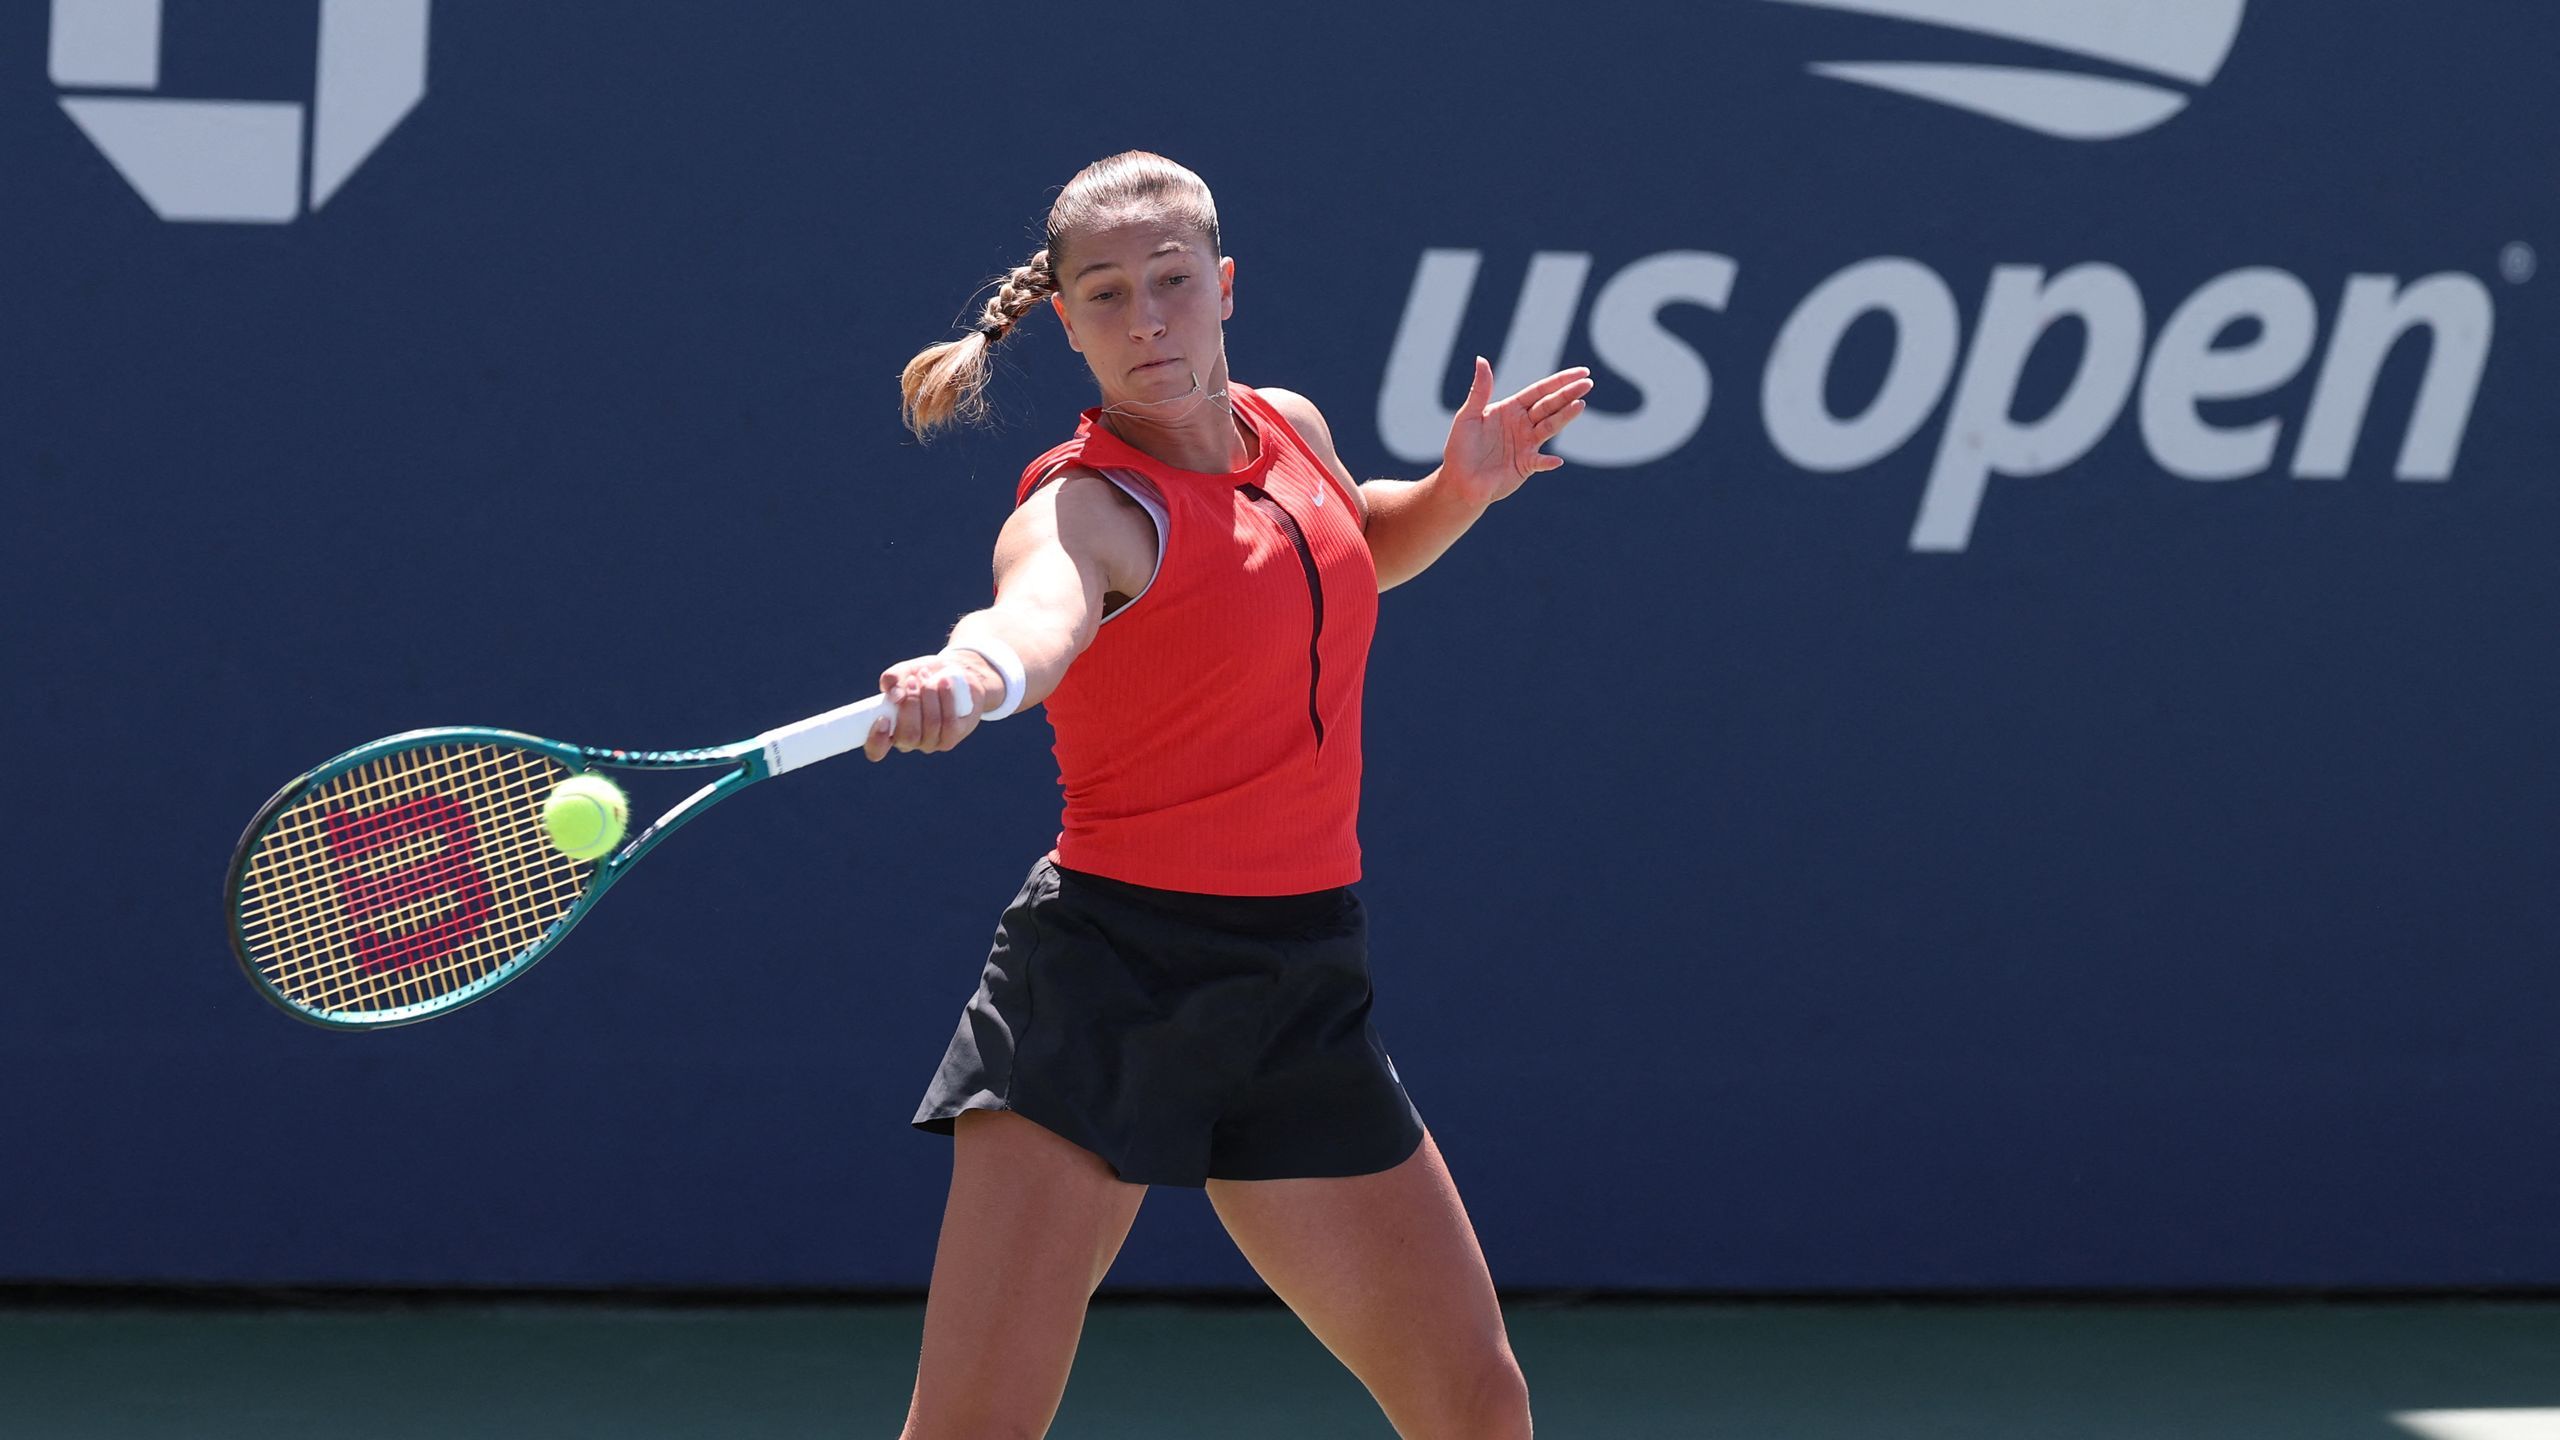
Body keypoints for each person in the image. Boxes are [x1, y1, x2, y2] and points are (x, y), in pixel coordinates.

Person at [865, 151, 1591, 1440]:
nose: (1145, 319)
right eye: (1105, 295)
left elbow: (1342, 547)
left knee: (1476, 1403)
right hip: (1104, 986)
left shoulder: (1289, 430)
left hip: (1300, 978)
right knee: (973, 1428)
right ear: (1066, 319)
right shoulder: (1087, 503)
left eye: (1171, 282)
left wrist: (1457, 490)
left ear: (1225, 287)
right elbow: (1036, 615)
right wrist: (972, 673)